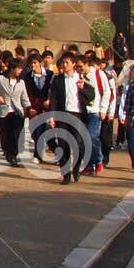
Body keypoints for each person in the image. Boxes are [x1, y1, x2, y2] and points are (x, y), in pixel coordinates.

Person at [47, 53, 88, 183]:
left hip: (77, 114)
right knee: (63, 145)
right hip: (62, 115)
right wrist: (52, 117)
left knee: (79, 144)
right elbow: (53, 99)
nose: (64, 65)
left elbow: (91, 96)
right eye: (63, 63)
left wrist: (83, 88)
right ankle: (66, 174)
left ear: (73, 64)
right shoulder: (57, 80)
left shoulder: (81, 78)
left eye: (67, 62)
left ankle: (76, 168)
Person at [0, 59, 30, 166]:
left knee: (17, 135)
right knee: (6, 136)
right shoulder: (0, 79)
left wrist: (28, 109)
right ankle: (8, 153)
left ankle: (13, 156)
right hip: (3, 112)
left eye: (22, 69)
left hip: (17, 112)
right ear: (12, 68)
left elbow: (25, 99)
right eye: (19, 68)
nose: (20, 71)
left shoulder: (21, 83)